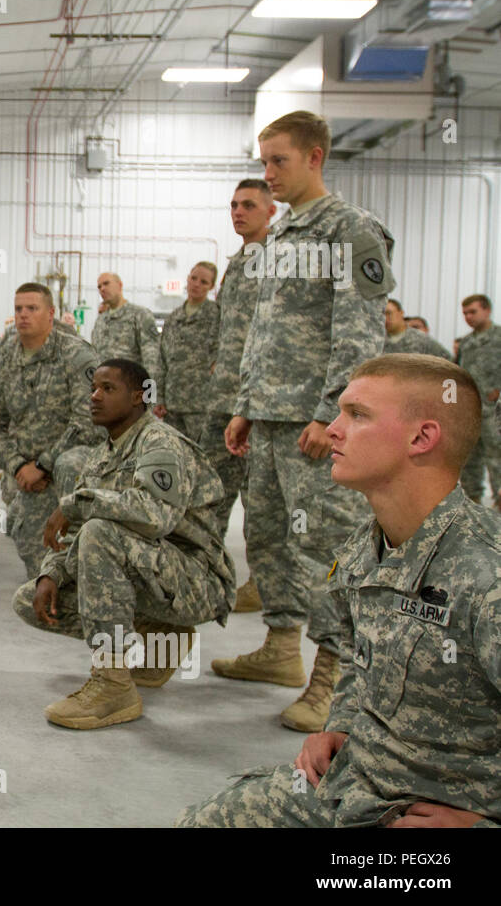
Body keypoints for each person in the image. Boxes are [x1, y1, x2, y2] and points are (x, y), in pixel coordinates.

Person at [179, 355, 501, 828]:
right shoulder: (364, 549)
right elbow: (358, 658)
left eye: (358, 414)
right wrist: (341, 725)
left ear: (422, 438)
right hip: (357, 788)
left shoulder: (485, 575)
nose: (333, 429)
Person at [216, 110, 394, 734]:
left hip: (313, 427)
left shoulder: (351, 231)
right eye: (264, 162)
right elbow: (260, 335)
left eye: (279, 162)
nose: (269, 175)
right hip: (266, 419)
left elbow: (359, 336)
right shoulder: (283, 237)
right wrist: (244, 406)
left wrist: (333, 415)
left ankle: (333, 677)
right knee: (267, 541)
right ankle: (281, 650)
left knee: (327, 549)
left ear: (315, 157)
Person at [11, 359, 234, 729]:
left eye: (108, 389)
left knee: (101, 533)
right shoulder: (104, 454)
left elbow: (154, 514)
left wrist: (76, 502)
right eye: (93, 388)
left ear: (138, 397)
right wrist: (52, 572)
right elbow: (79, 532)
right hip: (154, 573)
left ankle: (113, 685)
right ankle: (163, 634)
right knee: (29, 599)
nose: (95, 396)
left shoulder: (160, 443)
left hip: (197, 581)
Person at [0, 282, 102, 577]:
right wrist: (18, 465)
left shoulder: (76, 356)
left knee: (70, 547)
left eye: (32, 308)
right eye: (18, 309)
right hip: (24, 471)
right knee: (24, 536)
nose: (23, 315)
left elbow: (88, 424)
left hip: (69, 467)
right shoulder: (5, 359)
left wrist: (42, 465)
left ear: (50, 314)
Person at [209, 180, 275, 613]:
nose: (238, 212)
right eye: (233, 204)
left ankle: (263, 582)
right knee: (212, 487)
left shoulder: (277, 261)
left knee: (259, 497)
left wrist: (252, 395)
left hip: (256, 398)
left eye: (248, 205)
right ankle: (209, 569)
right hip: (222, 395)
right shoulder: (238, 261)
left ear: (271, 211)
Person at [154, 261, 220, 450]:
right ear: (187, 279)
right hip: (173, 403)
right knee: (174, 455)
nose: (197, 284)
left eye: (204, 282)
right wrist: (158, 398)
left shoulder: (216, 316)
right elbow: (162, 361)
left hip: (201, 404)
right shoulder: (174, 317)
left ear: (211, 287)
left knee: (201, 456)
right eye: (194, 278)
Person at [457, 294, 501, 508]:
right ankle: (472, 506)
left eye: (472, 312)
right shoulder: (466, 343)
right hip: (470, 413)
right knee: (469, 462)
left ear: (487, 310)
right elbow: (455, 375)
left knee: (498, 461)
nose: (468, 317)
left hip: (495, 414)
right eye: (465, 313)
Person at [90, 272, 160, 376]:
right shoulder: (101, 320)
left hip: (129, 385)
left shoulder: (140, 315)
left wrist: (148, 388)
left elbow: (152, 357)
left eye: (106, 283)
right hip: (104, 386)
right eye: (99, 287)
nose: (102, 289)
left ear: (120, 285)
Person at [383, 298, 451, 359]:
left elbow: (448, 360)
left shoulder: (421, 339)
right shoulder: (378, 340)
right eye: (382, 315)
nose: (385, 318)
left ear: (401, 313)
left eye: (389, 313)